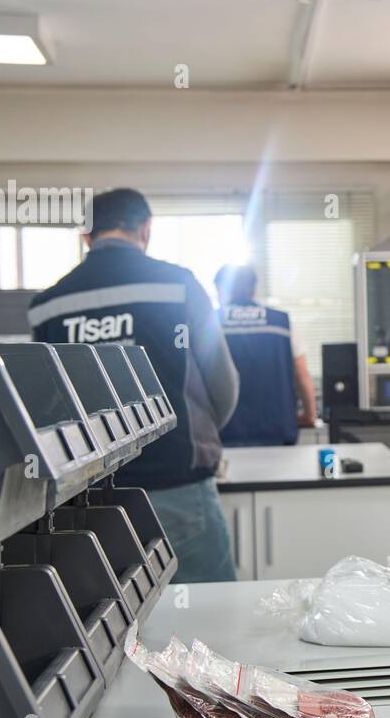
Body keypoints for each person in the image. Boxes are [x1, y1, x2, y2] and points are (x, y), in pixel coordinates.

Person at [28, 188, 240, 583]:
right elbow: (223, 385)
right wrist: (197, 438)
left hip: (87, 502)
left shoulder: (49, 305)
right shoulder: (179, 286)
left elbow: (45, 407)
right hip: (176, 484)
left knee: (108, 629)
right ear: (146, 228)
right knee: (209, 624)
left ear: (85, 235)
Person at [213, 264, 317, 446]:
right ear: (254, 290)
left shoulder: (211, 323)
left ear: (222, 289)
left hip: (226, 432)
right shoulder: (281, 322)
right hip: (277, 431)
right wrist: (310, 415)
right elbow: (301, 373)